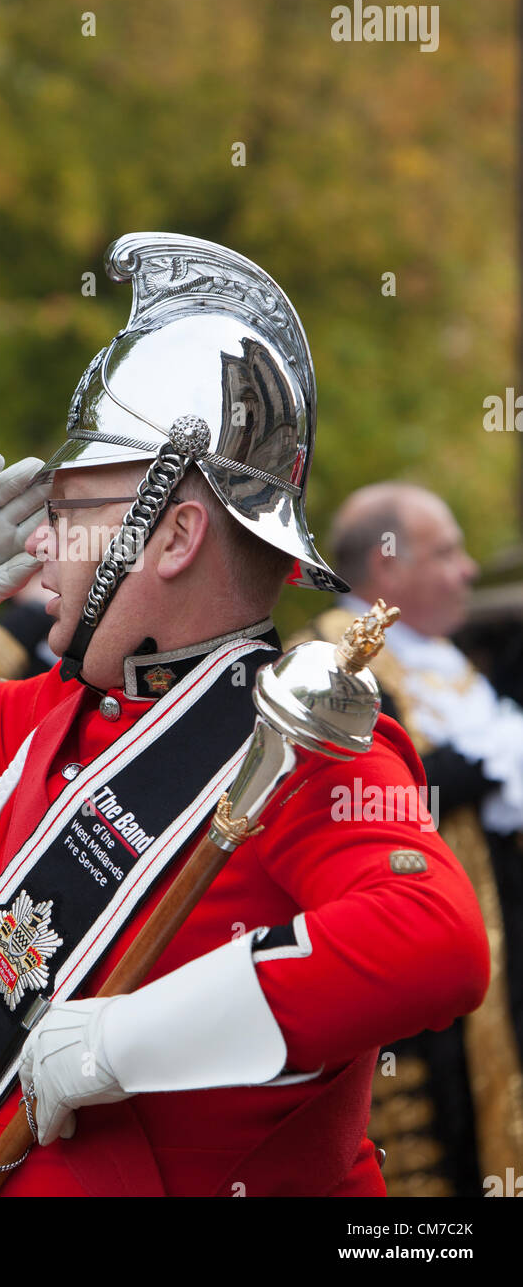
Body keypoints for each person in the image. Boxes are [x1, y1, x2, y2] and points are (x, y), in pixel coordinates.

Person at [0, 231, 489, 1198]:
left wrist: (128, 1039)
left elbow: (436, 942)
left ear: (176, 533)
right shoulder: (76, 708)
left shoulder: (304, 742)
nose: (41, 544)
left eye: (72, 507)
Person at [290, 481, 523, 1196]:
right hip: (408, 952)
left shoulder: (450, 661)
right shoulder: (333, 658)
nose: (466, 572)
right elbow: (362, 794)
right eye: (447, 553)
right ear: (387, 568)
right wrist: (480, 769)